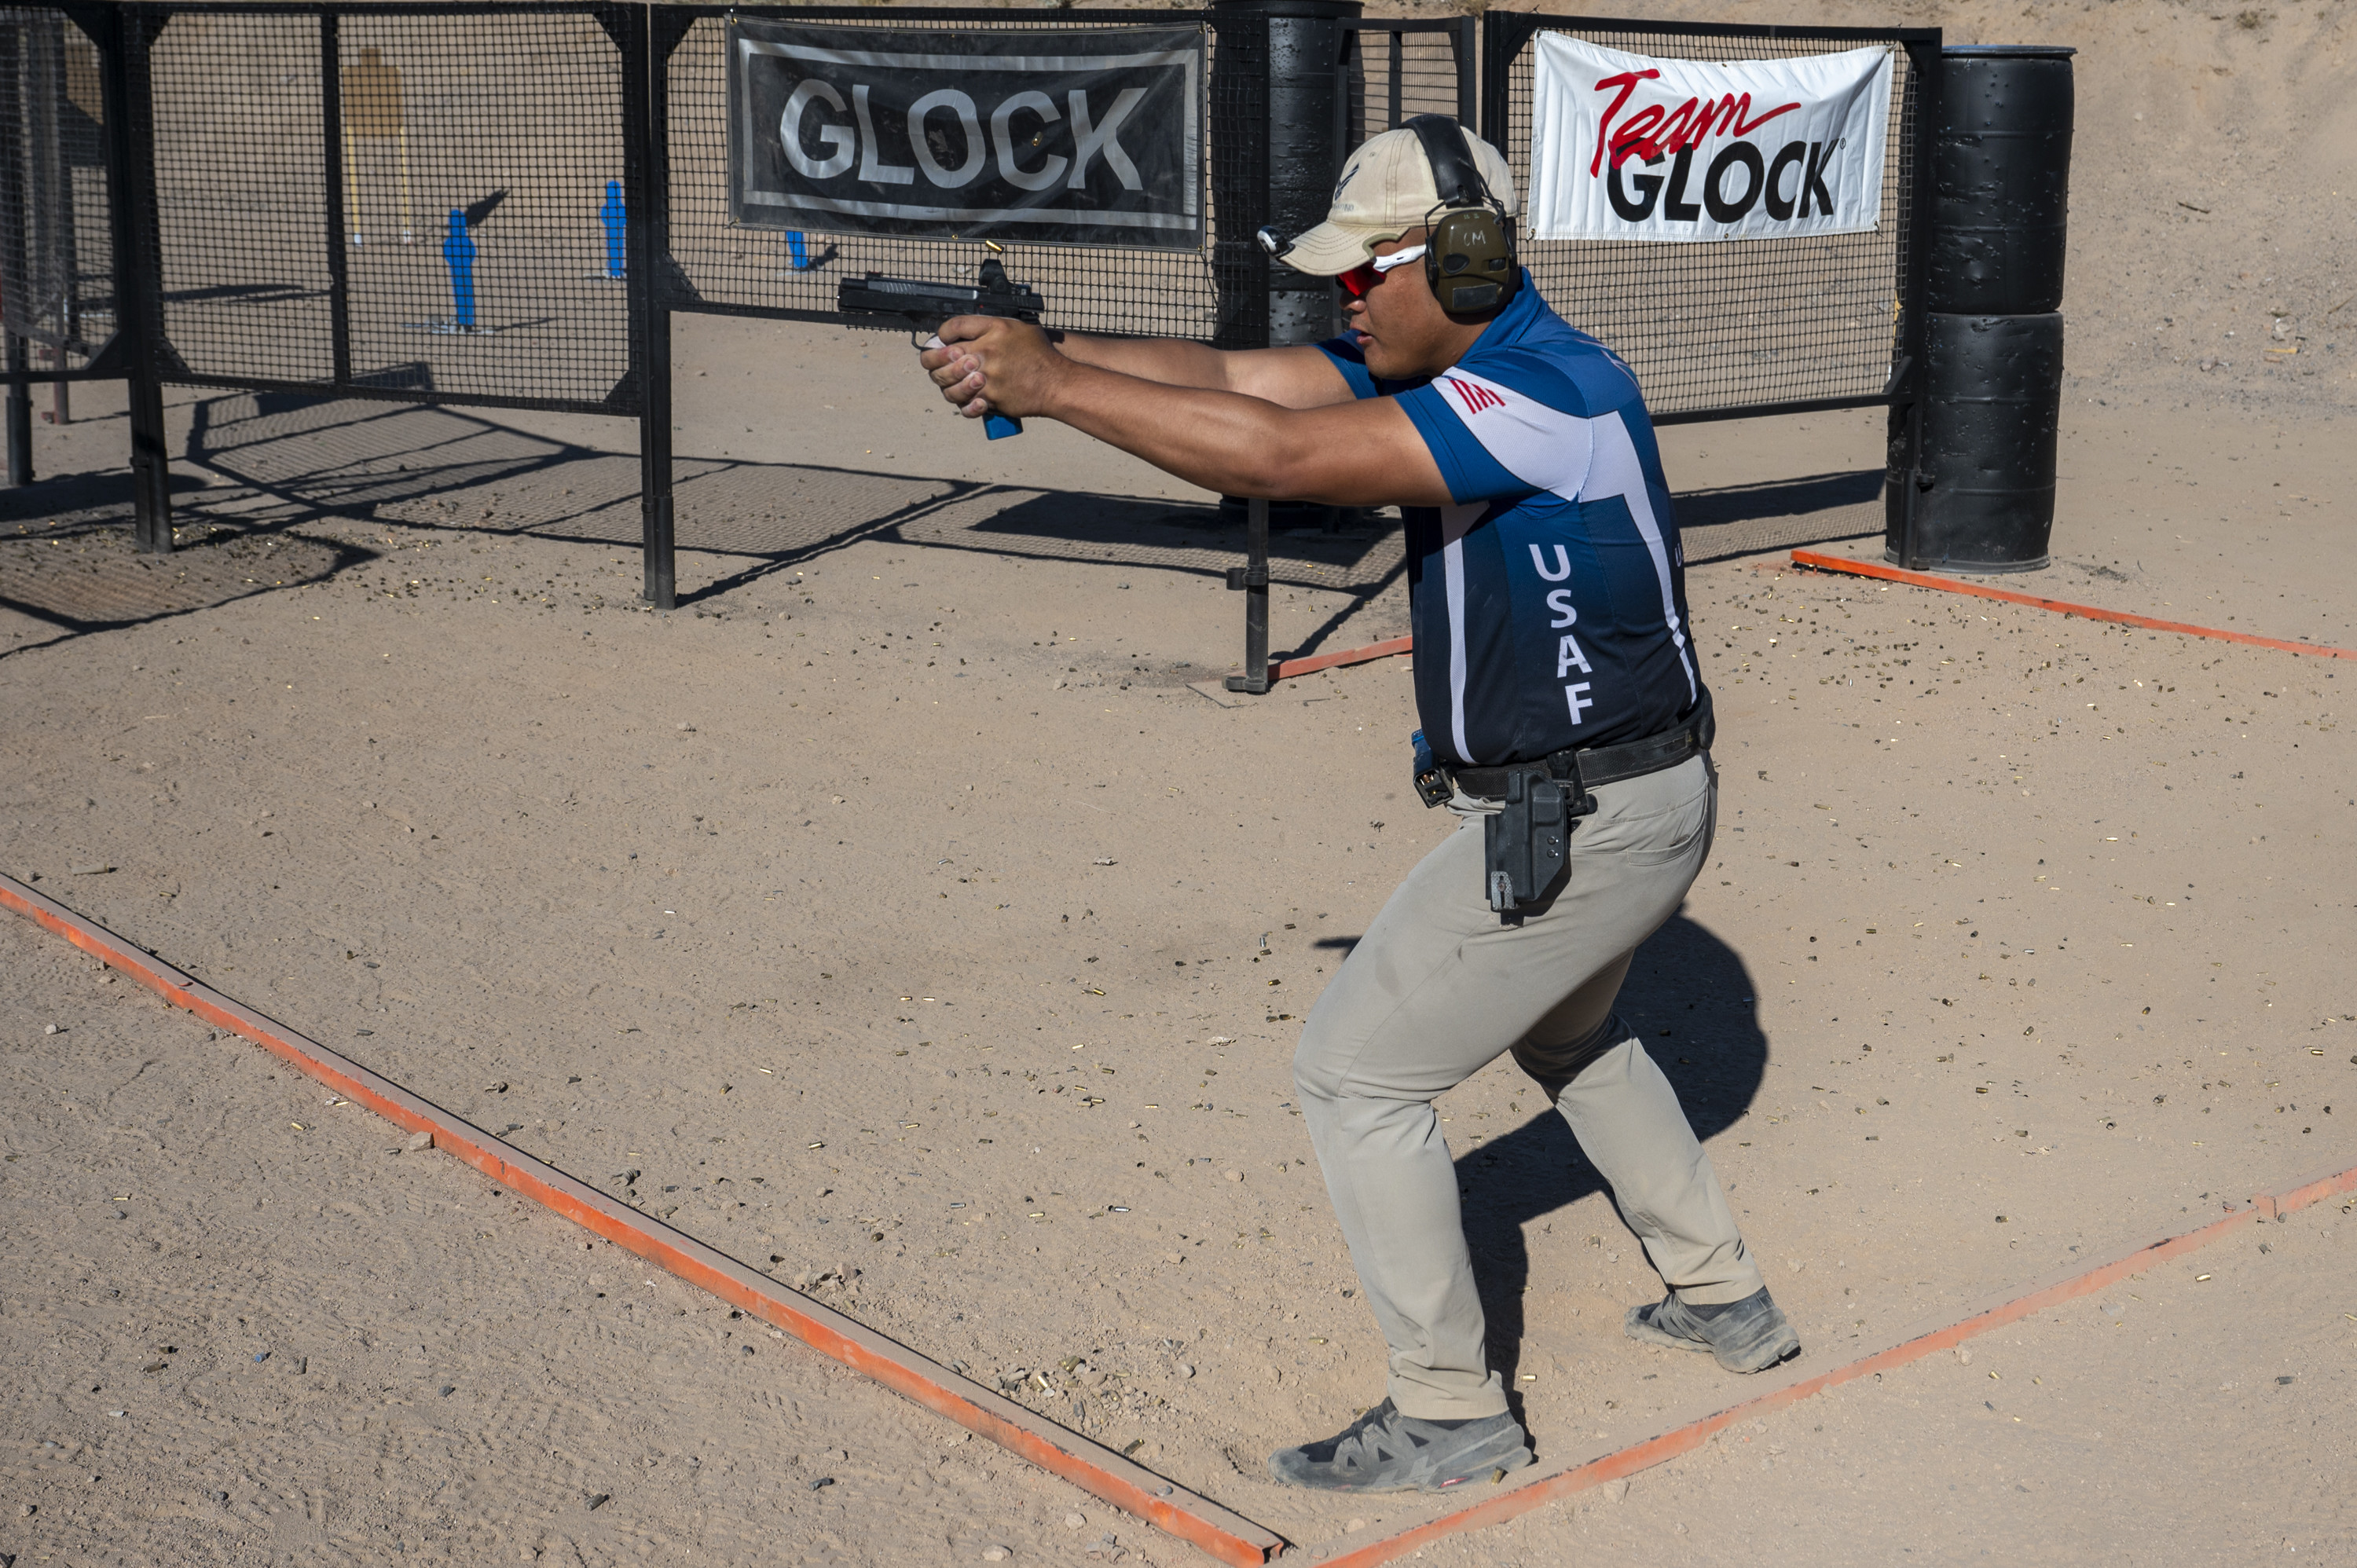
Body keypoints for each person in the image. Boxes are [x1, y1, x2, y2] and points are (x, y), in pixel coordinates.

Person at [914, 117, 1798, 1494]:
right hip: (1632, 801)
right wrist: (1046, 355)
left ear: (1460, 260)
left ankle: (1450, 1416)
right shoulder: (1467, 358)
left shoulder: (1547, 397)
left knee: (1354, 1078)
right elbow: (1230, 381)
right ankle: (1724, 1297)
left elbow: (1273, 461)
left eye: (1361, 274)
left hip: (1595, 816)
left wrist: (1055, 388)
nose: (1343, 300)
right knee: (1572, 1036)